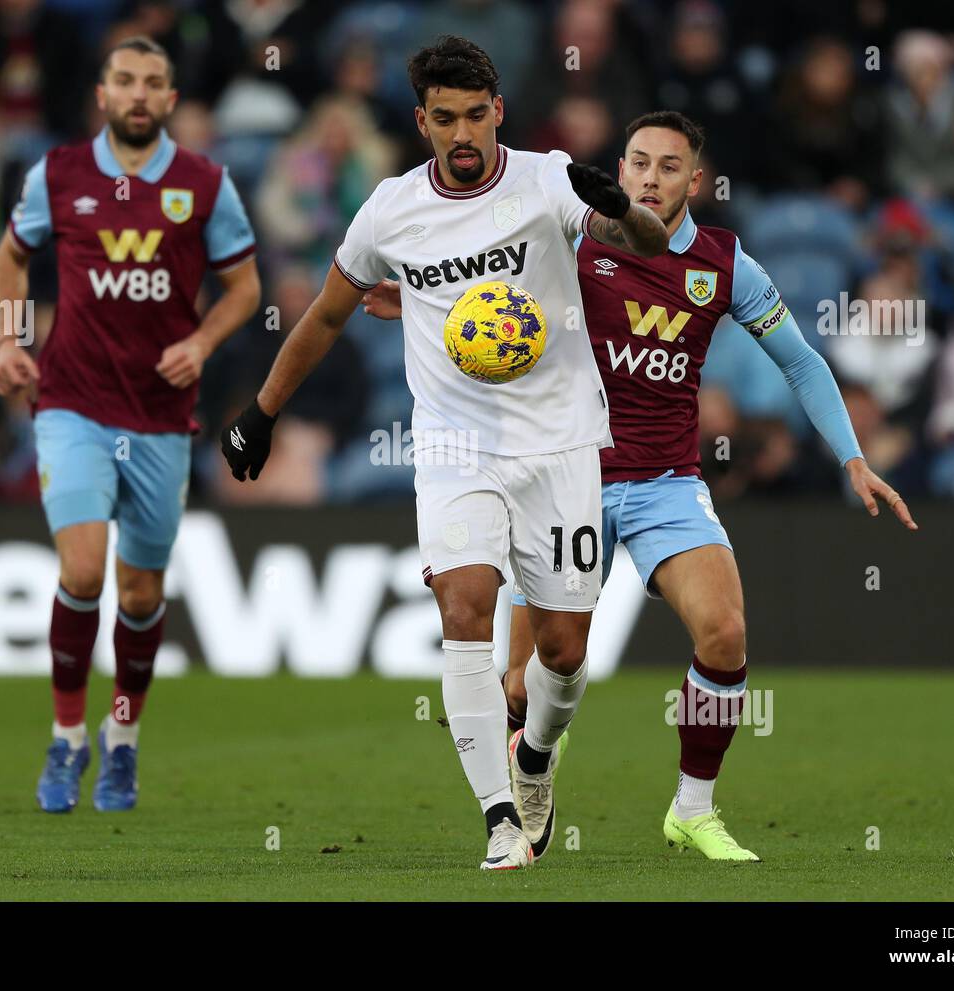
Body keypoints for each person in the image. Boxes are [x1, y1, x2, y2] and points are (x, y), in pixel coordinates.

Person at [365, 111, 917, 862]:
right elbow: (482, 289)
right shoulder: (574, 235)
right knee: (526, 686)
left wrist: (851, 456)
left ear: (695, 180)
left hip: (665, 479)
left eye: (667, 166)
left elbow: (801, 361)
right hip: (563, 476)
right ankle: (533, 762)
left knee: (723, 634)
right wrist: (420, 305)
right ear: (618, 171)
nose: (649, 178)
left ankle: (693, 809)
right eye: (637, 163)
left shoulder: (725, 264)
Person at [220, 35, 668, 870]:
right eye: (443, 119)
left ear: (497, 111)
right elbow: (325, 313)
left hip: (560, 438)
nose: (462, 134)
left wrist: (625, 208)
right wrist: (263, 408)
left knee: (563, 652)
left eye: (475, 116)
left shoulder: (548, 177)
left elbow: (644, 243)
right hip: (455, 443)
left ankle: (534, 757)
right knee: (464, 606)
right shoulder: (390, 208)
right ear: (421, 121)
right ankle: (500, 816)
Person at [0, 36, 261, 813]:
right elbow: (11, 258)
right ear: (102, 94)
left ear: (171, 100)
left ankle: (122, 742)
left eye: (153, 83)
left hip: (160, 416)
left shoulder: (205, 184)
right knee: (82, 571)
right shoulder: (58, 174)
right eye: (125, 81)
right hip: (71, 402)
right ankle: (67, 736)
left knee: (140, 593)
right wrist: (9, 340)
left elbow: (245, 286)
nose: (138, 94)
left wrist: (202, 341)